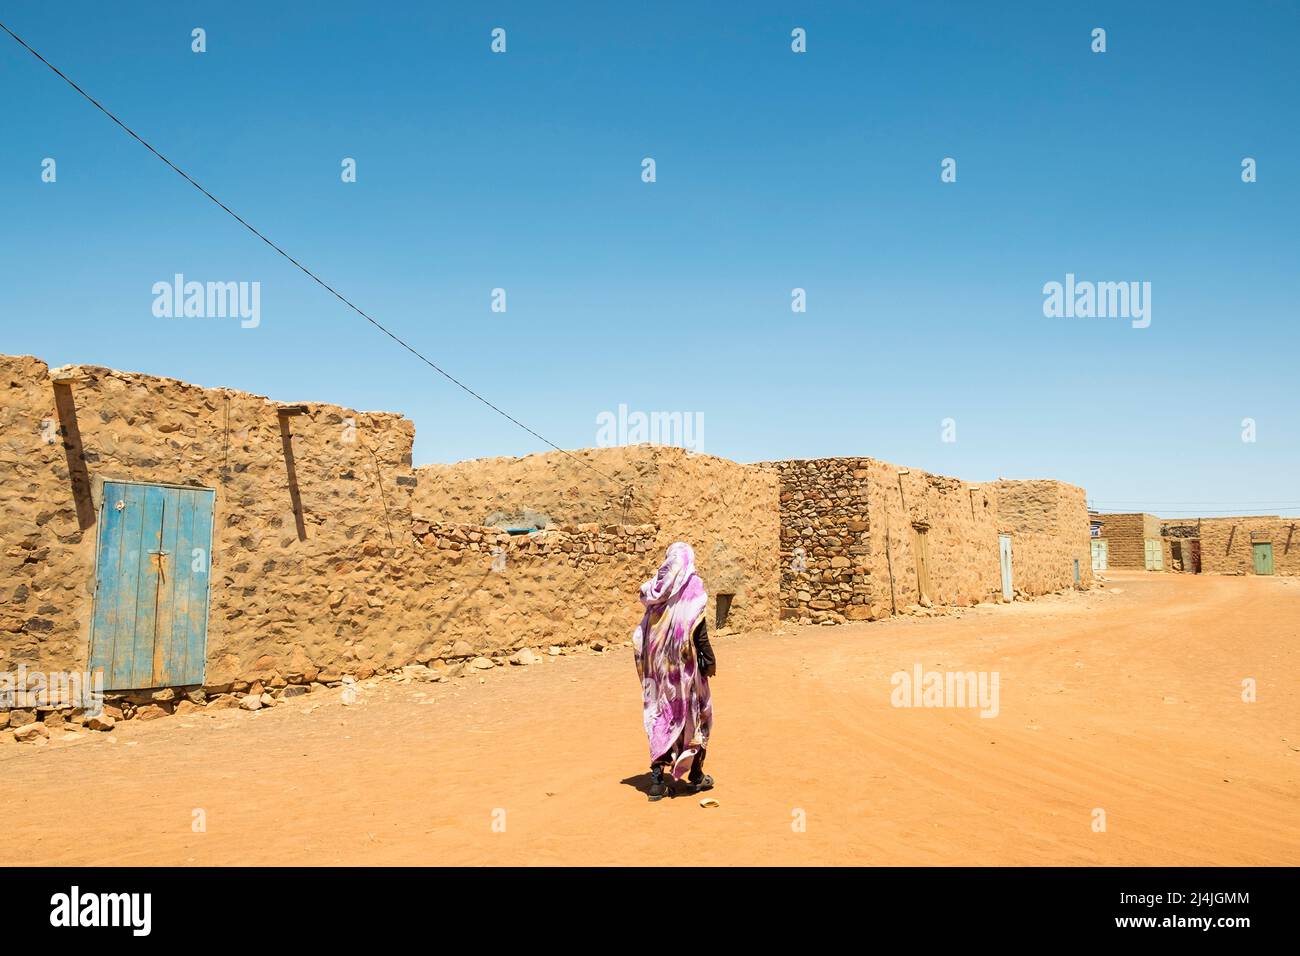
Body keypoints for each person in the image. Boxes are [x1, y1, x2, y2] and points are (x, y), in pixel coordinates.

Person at [631, 542, 717, 801]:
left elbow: (644, 633)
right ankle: (696, 775)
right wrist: (710, 660)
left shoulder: (656, 591)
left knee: (660, 716)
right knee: (698, 715)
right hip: (686, 673)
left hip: (658, 673)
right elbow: (697, 628)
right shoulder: (692, 587)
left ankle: (657, 781)